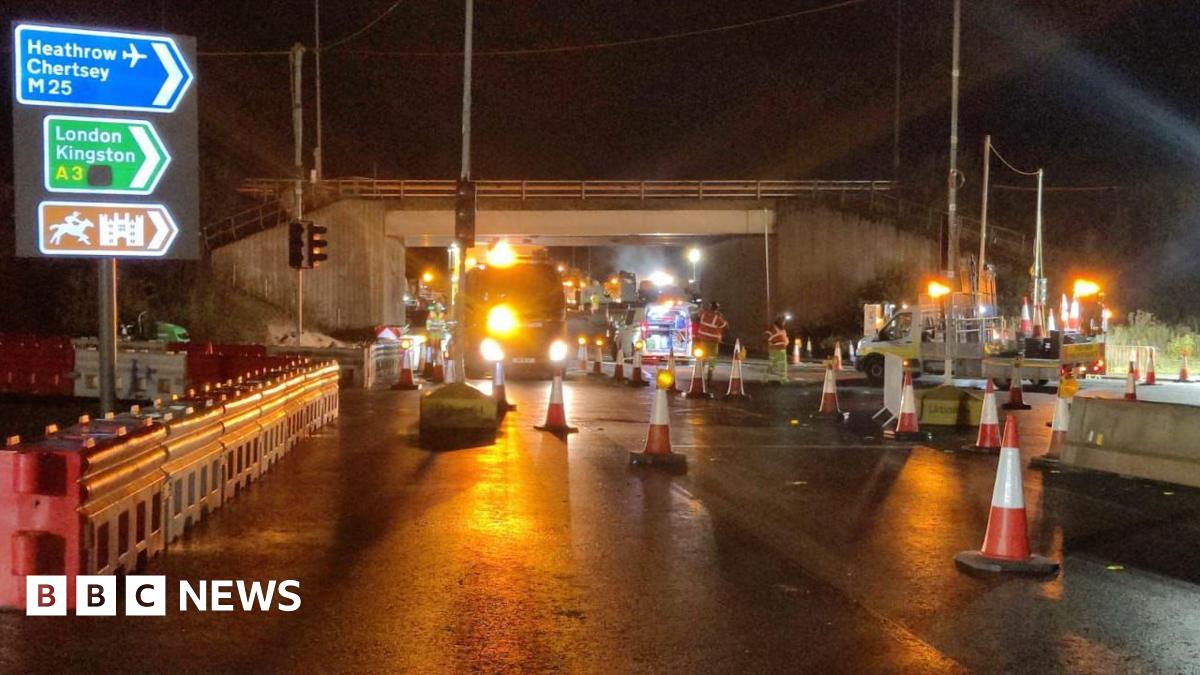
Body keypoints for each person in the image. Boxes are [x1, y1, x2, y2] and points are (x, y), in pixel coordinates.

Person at [697, 301, 729, 383]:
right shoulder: (718, 318)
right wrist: (722, 317)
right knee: (712, 356)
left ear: (710, 307)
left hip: (703, 339)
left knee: (703, 355)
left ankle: (700, 371)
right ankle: (710, 372)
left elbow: (698, 313)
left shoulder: (703, 314)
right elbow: (726, 326)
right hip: (713, 341)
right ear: (717, 308)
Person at [765, 317, 790, 384]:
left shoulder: (782, 329)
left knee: (782, 365)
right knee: (774, 364)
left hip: (781, 349)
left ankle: (783, 378)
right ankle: (766, 377)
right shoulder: (772, 328)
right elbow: (767, 336)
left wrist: (786, 341)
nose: (784, 323)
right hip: (774, 349)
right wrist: (770, 343)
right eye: (783, 321)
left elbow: (784, 337)